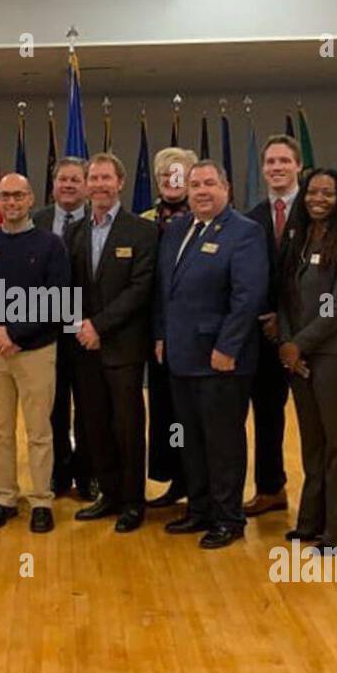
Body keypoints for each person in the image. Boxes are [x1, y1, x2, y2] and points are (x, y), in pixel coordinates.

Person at [154, 160, 268, 549]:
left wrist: (227, 346)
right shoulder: (178, 229)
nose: (201, 191)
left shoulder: (245, 233)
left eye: (209, 184)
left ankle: (228, 518)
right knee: (189, 438)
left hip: (220, 359)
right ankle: (199, 508)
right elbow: (164, 290)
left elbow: (247, 297)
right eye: (195, 184)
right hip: (180, 354)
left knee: (222, 443)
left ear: (227, 188)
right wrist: (161, 334)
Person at [0, 173, 71, 534]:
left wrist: (16, 334)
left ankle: (41, 499)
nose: (11, 203)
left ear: (30, 199)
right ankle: (5, 497)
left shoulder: (51, 245)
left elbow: (58, 301)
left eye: (18, 196)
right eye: (5, 196)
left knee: (39, 430)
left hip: (35, 351)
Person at [277, 168, 337, 549]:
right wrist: (287, 342)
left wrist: (300, 343)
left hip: (335, 356)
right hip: (298, 357)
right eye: (312, 191)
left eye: (328, 193)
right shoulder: (297, 238)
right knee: (312, 443)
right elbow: (283, 295)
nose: (318, 199)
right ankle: (312, 521)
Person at [68, 151, 157, 533]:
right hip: (84, 348)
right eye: (94, 178)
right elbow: (68, 286)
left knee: (127, 426)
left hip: (123, 347)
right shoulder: (76, 232)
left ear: (120, 183)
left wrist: (99, 326)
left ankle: (133, 502)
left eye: (107, 178)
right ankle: (109, 493)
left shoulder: (142, 231)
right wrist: (78, 326)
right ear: (87, 185)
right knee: (94, 424)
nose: (100, 184)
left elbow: (141, 288)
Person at [245, 134, 303, 519]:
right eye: (270, 162)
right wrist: (268, 318)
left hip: (310, 334)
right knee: (267, 413)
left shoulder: (319, 212)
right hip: (264, 336)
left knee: (319, 420)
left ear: (298, 166)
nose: (277, 167)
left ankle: (323, 495)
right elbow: (248, 277)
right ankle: (270, 488)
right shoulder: (251, 219)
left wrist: (290, 323)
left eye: (284, 160)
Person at [31, 156, 93, 500]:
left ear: (85, 185)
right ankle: (57, 473)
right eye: (62, 180)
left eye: (75, 180)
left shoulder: (100, 222)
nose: (68, 185)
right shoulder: (36, 221)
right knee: (51, 407)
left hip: (85, 330)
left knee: (88, 407)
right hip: (45, 331)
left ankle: (88, 475)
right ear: (53, 185)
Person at [140, 146, 196, 509]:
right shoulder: (143, 221)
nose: (171, 181)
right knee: (166, 412)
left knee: (193, 413)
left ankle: (198, 479)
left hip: (194, 334)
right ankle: (176, 477)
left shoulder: (204, 218)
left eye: (178, 174)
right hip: (155, 333)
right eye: (165, 175)